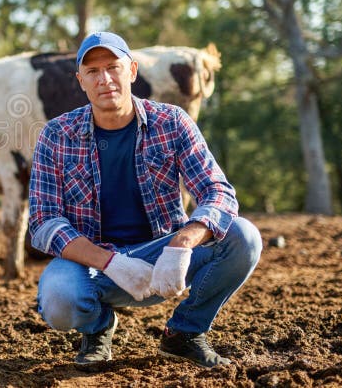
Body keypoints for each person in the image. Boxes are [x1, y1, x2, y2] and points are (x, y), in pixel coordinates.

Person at [28, 31, 262, 368]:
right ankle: (96, 329)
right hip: (94, 265)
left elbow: (218, 192)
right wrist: (109, 262)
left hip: (163, 258)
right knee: (59, 300)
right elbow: (44, 221)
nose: (104, 79)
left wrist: (183, 242)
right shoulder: (56, 135)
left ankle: (184, 331)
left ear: (133, 71)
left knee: (244, 237)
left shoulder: (172, 122)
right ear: (80, 81)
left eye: (113, 67)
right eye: (92, 72)